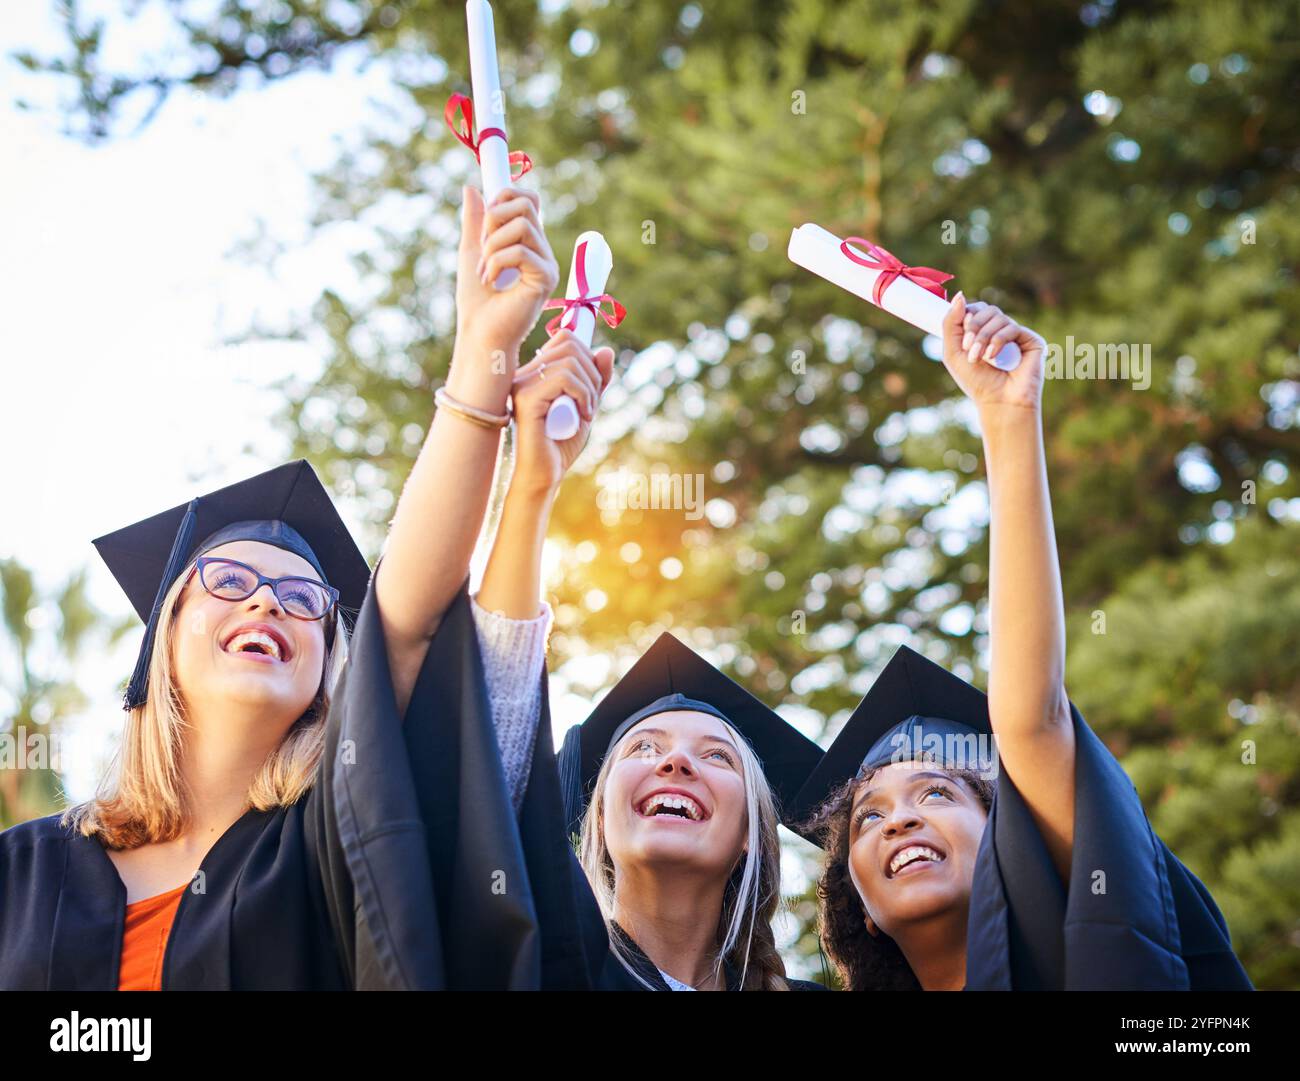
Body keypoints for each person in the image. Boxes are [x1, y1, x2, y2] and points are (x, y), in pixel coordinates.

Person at [787, 296, 1252, 991]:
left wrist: (1008, 421)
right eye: (869, 817)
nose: (900, 818)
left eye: (938, 789)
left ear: (1013, 844)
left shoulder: (1081, 959)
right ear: (864, 912)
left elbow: (1030, 720)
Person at [0, 460, 370, 989]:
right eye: (228, 581)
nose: (267, 600)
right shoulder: (19, 875)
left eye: (303, 598)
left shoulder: (346, 850)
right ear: (163, 637)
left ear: (325, 664)